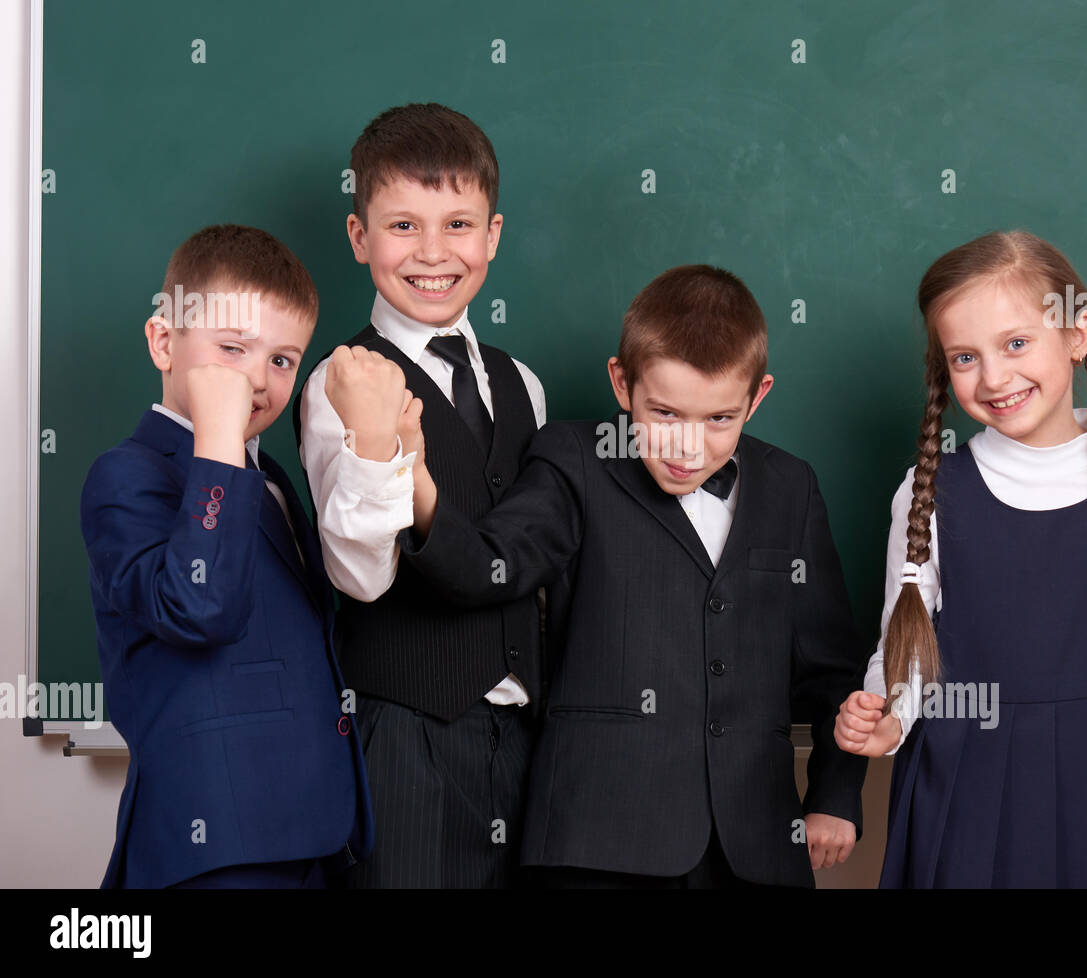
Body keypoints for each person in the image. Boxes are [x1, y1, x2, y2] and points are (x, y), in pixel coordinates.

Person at [329, 264, 867, 887]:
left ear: (758, 396)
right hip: (598, 842)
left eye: (720, 419)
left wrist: (835, 789)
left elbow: (831, 669)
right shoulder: (575, 460)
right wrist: (412, 472)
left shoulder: (791, 486)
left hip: (758, 844)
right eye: (664, 413)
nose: (688, 447)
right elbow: (484, 568)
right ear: (622, 383)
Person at [835, 230, 1087, 888]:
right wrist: (884, 722)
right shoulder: (928, 492)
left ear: (1077, 335)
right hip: (960, 784)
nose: (995, 377)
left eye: (1015, 343)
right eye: (965, 357)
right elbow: (904, 654)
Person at [295, 102, 547, 887]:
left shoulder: (522, 384)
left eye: (458, 225)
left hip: (523, 738)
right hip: (403, 733)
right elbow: (360, 576)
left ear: (493, 235)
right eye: (402, 226)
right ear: (359, 237)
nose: (433, 253)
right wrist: (380, 446)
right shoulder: (337, 383)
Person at [81, 224, 372, 888]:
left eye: (283, 360)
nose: (258, 380)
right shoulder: (127, 477)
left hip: (315, 831)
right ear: (164, 342)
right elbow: (200, 607)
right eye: (232, 349)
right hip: (216, 840)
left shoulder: (268, 483)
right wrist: (216, 439)